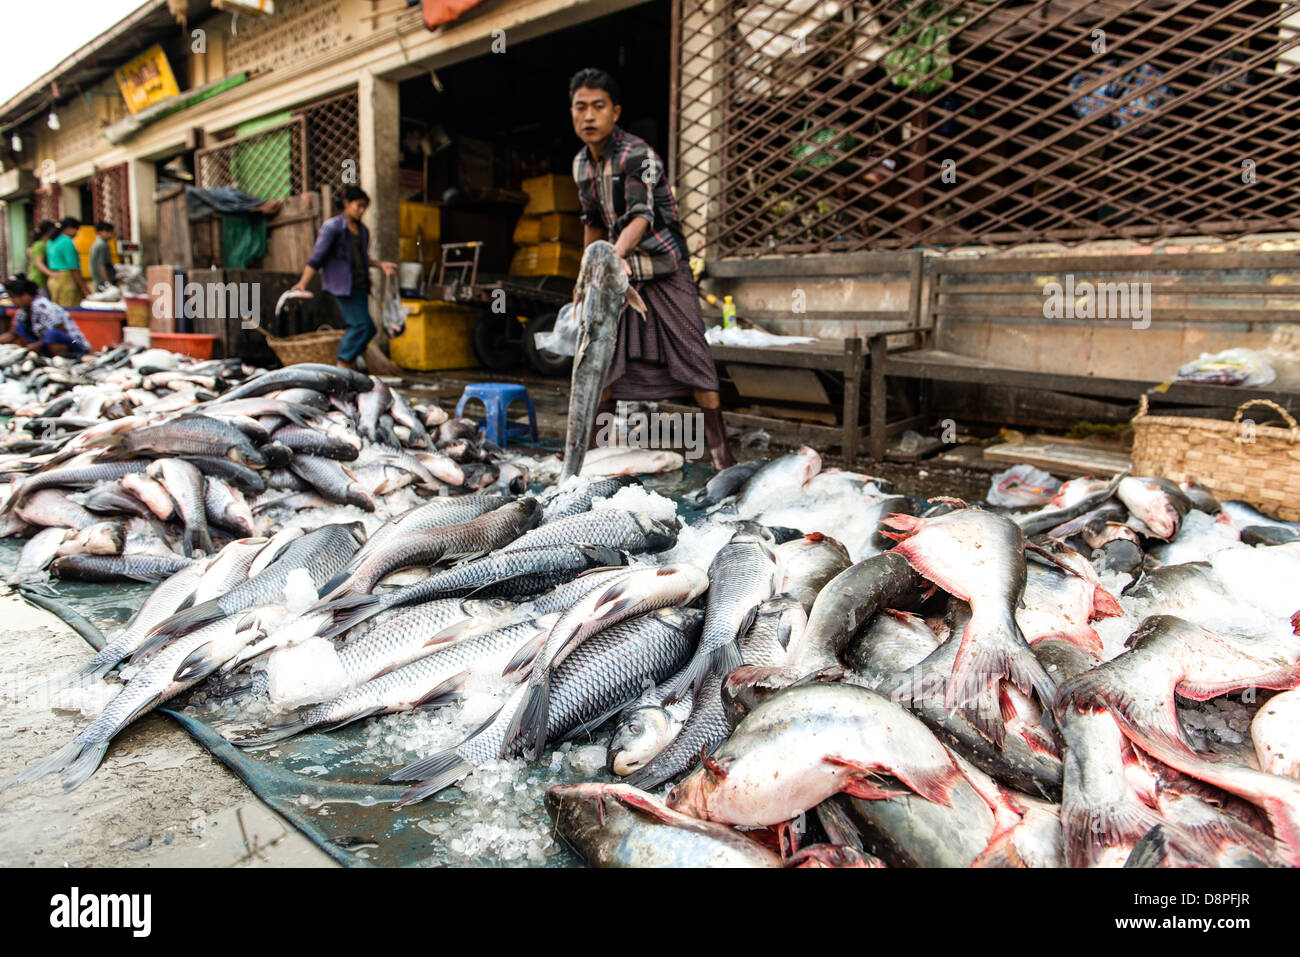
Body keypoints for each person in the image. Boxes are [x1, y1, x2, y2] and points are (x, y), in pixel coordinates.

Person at [568, 68, 736, 470]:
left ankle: (719, 453)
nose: (588, 116)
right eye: (580, 107)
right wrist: (587, 274)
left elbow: (641, 215)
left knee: (693, 353)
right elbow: (592, 220)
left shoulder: (638, 155)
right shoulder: (580, 164)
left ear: (615, 112)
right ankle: (592, 454)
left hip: (663, 266)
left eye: (598, 107)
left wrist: (614, 256)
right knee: (601, 358)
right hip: (619, 273)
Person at [291, 186, 398, 370]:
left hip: (360, 285)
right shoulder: (333, 228)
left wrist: (381, 265)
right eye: (358, 206)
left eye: (365, 207)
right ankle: (343, 362)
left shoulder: (362, 230)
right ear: (346, 204)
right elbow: (317, 259)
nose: (362, 210)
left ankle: (351, 363)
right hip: (343, 286)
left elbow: (361, 258)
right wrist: (302, 284)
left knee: (362, 326)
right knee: (362, 326)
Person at [0, 274, 90, 357]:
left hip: (74, 345)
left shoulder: (43, 306)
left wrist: (37, 345)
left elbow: (59, 331)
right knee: (21, 329)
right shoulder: (23, 311)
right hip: (44, 345)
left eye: (13, 297)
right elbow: (13, 334)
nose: (13, 301)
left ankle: (61, 359)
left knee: (51, 334)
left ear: (25, 295)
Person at [45, 218, 89, 308]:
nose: (77, 233)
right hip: (66, 279)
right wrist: (84, 288)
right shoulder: (67, 241)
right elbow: (73, 268)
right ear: (68, 228)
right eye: (76, 229)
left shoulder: (51, 241)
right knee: (69, 309)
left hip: (53, 279)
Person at [25, 220, 57, 298]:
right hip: (38, 281)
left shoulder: (44, 244)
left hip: (40, 280)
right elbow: (39, 263)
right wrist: (51, 274)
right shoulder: (40, 245)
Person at [89, 221, 116, 291]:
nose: (110, 235)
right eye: (107, 232)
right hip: (102, 281)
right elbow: (101, 265)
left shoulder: (97, 243)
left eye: (111, 232)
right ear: (99, 232)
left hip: (98, 281)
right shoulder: (102, 245)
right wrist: (108, 283)